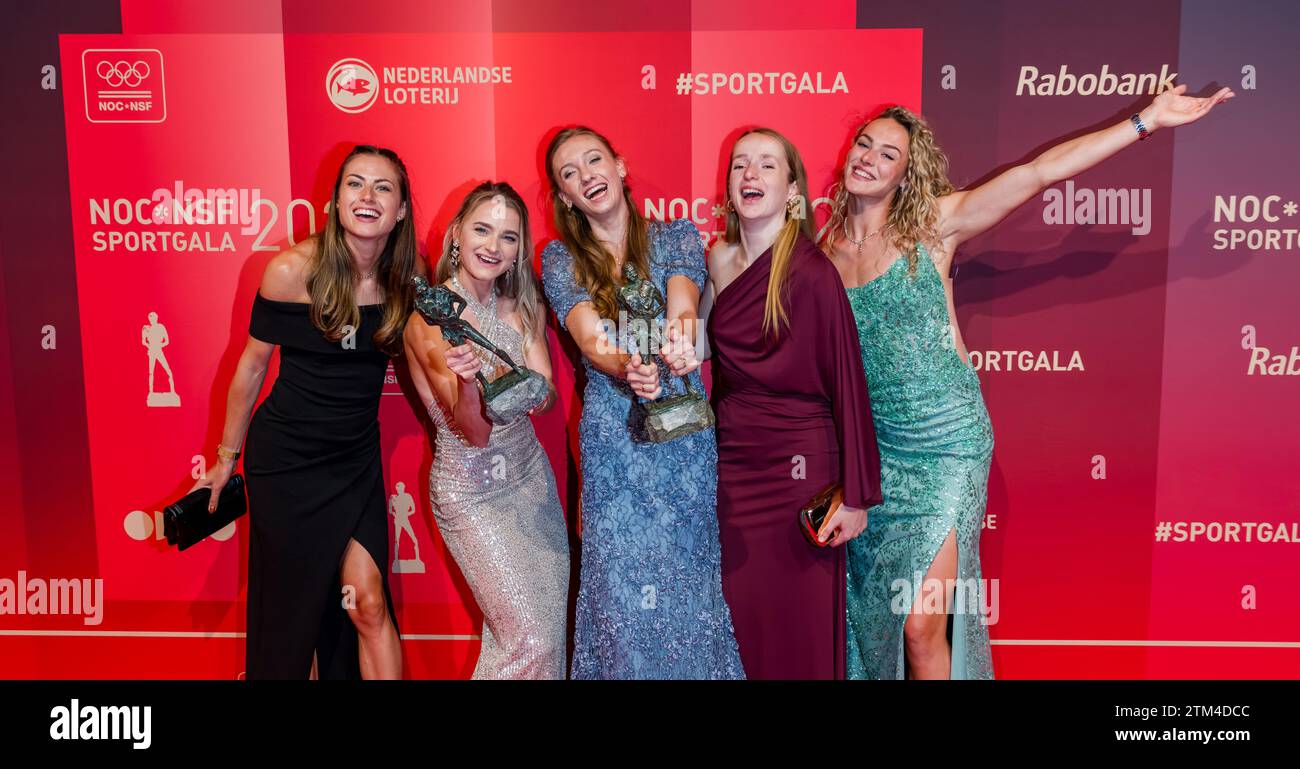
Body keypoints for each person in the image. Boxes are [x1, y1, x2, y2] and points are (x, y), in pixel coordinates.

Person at [826, 85, 1234, 680]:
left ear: (906, 176)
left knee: (919, 624)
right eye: (864, 144)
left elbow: (1038, 172)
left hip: (946, 443)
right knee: (876, 622)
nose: (868, 158)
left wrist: (1145, 120)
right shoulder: (822, 253)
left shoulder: (934, 226)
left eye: (888, 154)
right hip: (877, 451)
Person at [191, 145, 419, 679]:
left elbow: (425, 364)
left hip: (356, 461)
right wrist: (225, 459)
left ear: (402, 209)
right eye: (355, 184)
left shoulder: (407, 280)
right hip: (287, 464)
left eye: (383, 187)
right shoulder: (292, 270)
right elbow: (252, 367)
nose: (367, 196)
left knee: (367, 601)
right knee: (294, 618)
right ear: (336, 200)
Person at [540, 126, 743, 679]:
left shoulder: (675, 235)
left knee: (687, 586)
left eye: (594, 160)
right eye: (570, 173)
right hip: (614, 443)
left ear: (620, 165)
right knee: (620, 596)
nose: (587, 176)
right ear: (565, 197)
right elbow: (590, 340)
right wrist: (627, 366)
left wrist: (678, 342)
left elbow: (684, 308)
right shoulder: (560, 258)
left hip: (682, 441)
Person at [699, 127, 882, 679]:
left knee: (798, 630)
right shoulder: (717, 258)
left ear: (793, 190)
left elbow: (848, 381)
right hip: (734, 469)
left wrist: (857, 495)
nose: (750, 174)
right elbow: (699, 349)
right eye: (739, 164)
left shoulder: (812, 272)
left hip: (799, 474)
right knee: (743, 628)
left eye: (766, 165)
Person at [404, 181, 569, 679]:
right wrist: (468, 382)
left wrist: (532, 388)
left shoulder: (522, 305)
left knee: (544, 636)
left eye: (508, 236)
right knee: (531, 641)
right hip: (473, 493)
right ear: (457, 233)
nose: (493, 246)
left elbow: (546, 396)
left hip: (531, 483)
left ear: (519, 250)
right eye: (482, 230)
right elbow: (473, 432)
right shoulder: (431, 320)